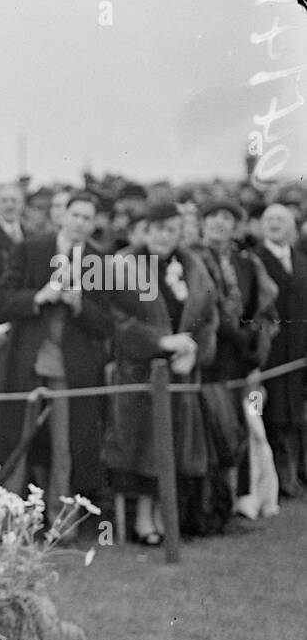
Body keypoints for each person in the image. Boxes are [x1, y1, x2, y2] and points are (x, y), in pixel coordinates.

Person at [0, 191, 113, 514]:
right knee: (16, 441)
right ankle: (7, 517)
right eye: (75, 215)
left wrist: (79, 305)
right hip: (26, 363)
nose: (80, 223)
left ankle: (60, 517)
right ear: (62, 216)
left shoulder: (101, 261)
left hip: (70, 369)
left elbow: (107, 324)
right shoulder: (30, 249)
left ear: (94, 223)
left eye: (87, 218)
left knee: (65, 445)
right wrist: (38, 297)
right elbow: (0, 302)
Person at [103, 202, 220, 542]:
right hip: (141, 370)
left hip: (181, 373)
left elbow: (208, 315)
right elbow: (115, 318)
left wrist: (195, 349)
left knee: (175, 444)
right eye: (157, 229)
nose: (164, 236)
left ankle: (163, 516)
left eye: (171, 230)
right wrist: (160, 341)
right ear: (145, 230)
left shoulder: (192, 265)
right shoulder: (124, 265)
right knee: (145, 446)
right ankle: (143, 520)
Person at [197, 199, 278, 518]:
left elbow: (265, 308)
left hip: (242, 360)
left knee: (243, 429)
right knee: (214, 429)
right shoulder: (193, 259)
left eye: (227, 218)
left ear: (236, 226)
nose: (219, 223)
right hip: (209, 360)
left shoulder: (247, 263)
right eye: (213, 216)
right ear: (203, 223)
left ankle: (242, 499)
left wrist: (255, 341)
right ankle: (213, 504)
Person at [251, 203, 307, 498]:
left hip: (298, 349)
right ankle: (281, 480)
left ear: (292, 227)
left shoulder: (301, 260)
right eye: (269, 219)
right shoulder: (256, 260)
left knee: (297, 414)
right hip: (271, 351)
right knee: (274, 415)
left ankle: (298, 473)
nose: (274, 224)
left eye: (280, 220)